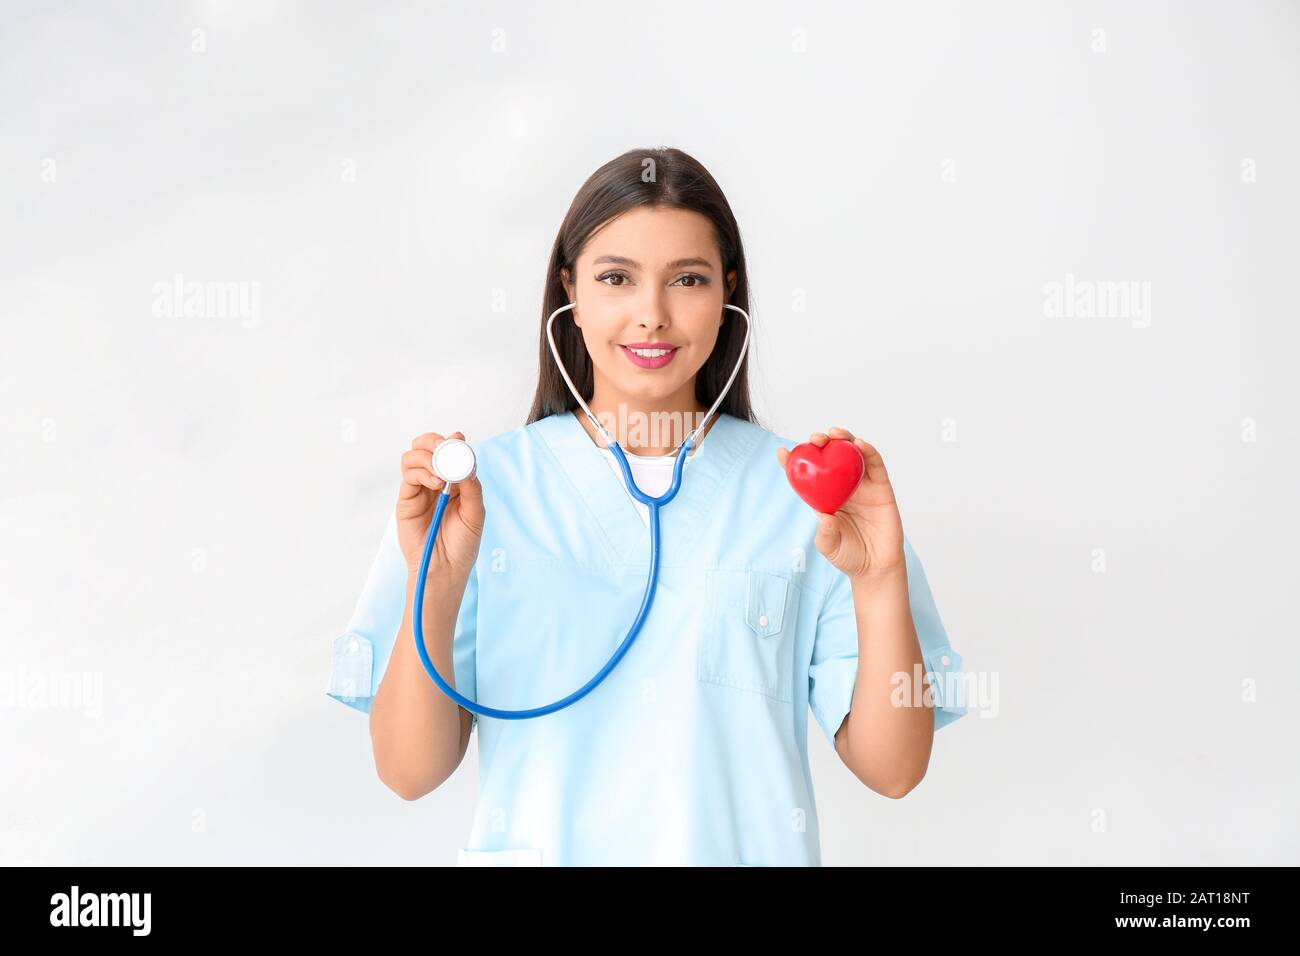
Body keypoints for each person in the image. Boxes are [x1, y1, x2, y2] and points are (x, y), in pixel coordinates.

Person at [326, 146, 967, 866]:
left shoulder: (808, 497)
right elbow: (408, 773)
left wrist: (880, 584)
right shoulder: (476, 493)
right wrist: (434, 588)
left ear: (728, 295)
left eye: (687, 279)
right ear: (570, 292)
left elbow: (895, 770)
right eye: (616, 279)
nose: (651, 316)